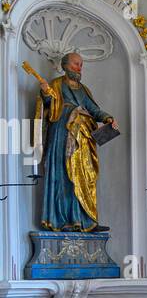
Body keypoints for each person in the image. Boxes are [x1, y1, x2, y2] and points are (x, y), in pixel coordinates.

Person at [34, 51, 115, 231]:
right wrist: (45, 92)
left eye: (81, 65)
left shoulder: (84, 90)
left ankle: (86, 220)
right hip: (62, 133)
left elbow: (94, 109)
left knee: (84, 175)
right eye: (75, 64)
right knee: (63, 175)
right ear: (65, 66)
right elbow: (48, 104)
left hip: (83, 137)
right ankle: (62, 220)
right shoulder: (57, 84)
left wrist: (107, 118)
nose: (79, 68)